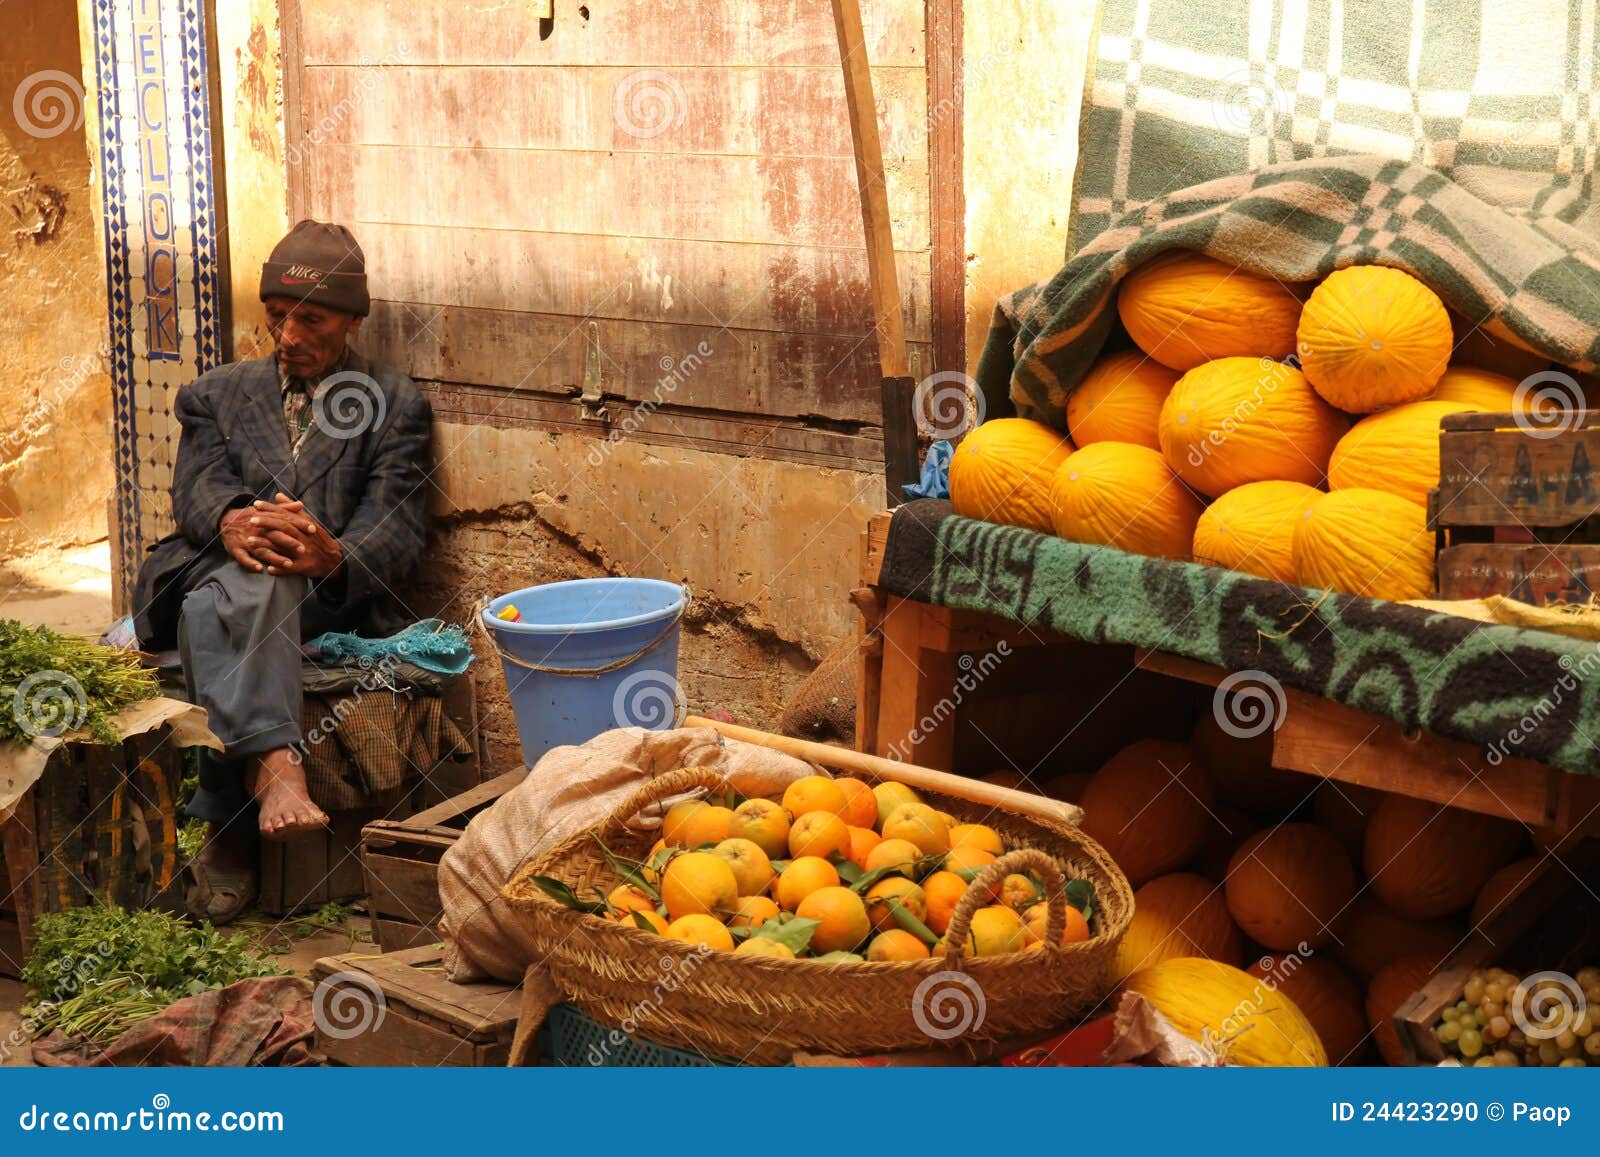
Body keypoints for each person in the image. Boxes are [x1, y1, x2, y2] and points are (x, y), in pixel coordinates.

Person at [132, 220, 432, 922]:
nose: (289, 335)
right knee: (246, 579)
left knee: (224, 607)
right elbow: (196, 489)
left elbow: (397, 524)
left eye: (310, 320)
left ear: (353, 320)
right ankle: (278, 767)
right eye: (276, 316)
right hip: (210, 565)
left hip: (321, 595)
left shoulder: (394, 404)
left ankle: (228, 825)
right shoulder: (216, 393)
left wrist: (334, 555)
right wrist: (233, 519)